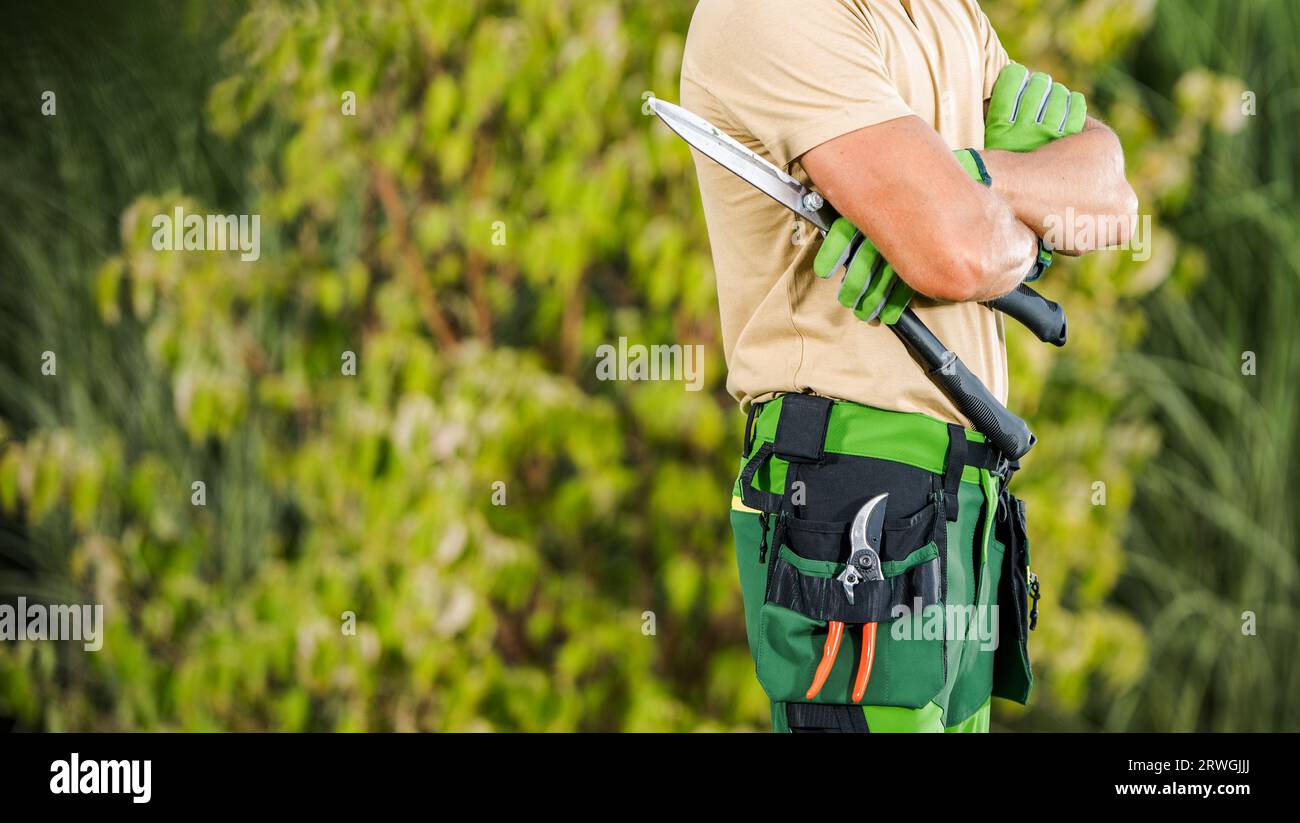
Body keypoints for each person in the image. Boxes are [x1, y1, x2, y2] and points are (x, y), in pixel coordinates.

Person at [680, 0, 1138, 732]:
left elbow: (1112, 194)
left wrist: (982, 176)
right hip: (847, 481)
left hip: (967, 498)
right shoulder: (767, 13)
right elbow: (957, 249)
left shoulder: (947, 12)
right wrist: (1012, 213)